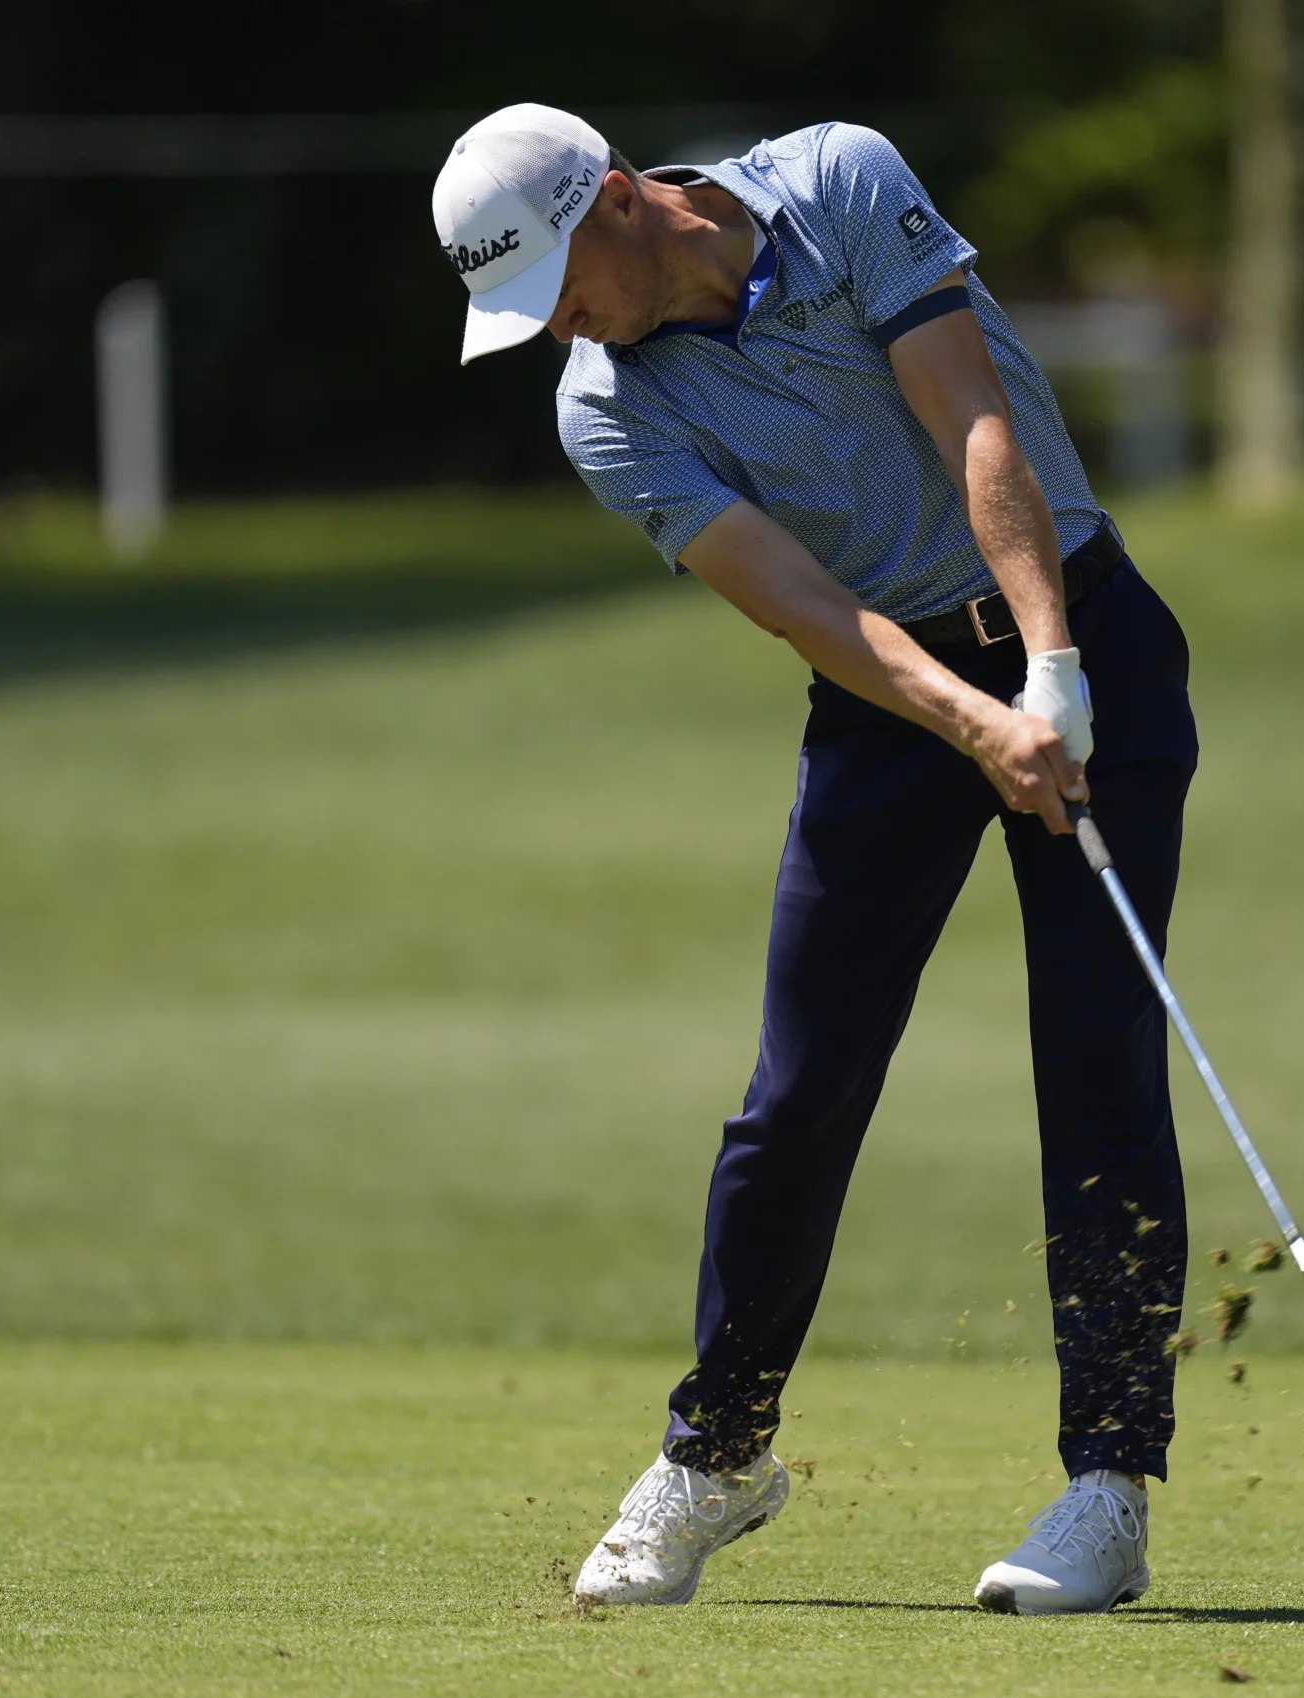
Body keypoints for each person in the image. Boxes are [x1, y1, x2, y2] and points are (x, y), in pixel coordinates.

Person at [429, 105, 1195, 1615]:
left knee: (1099, 1054)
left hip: (1086, 632)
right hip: (888, 696)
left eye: (555, 288)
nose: (556, 328)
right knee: (799, 1088)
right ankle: (716, 1453)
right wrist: (980, 721)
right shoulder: (604, 413)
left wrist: (1051, 665)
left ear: (620, 200)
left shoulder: (839, 181)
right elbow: (804, 606)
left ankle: (1109, 1488)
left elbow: (972, 419)